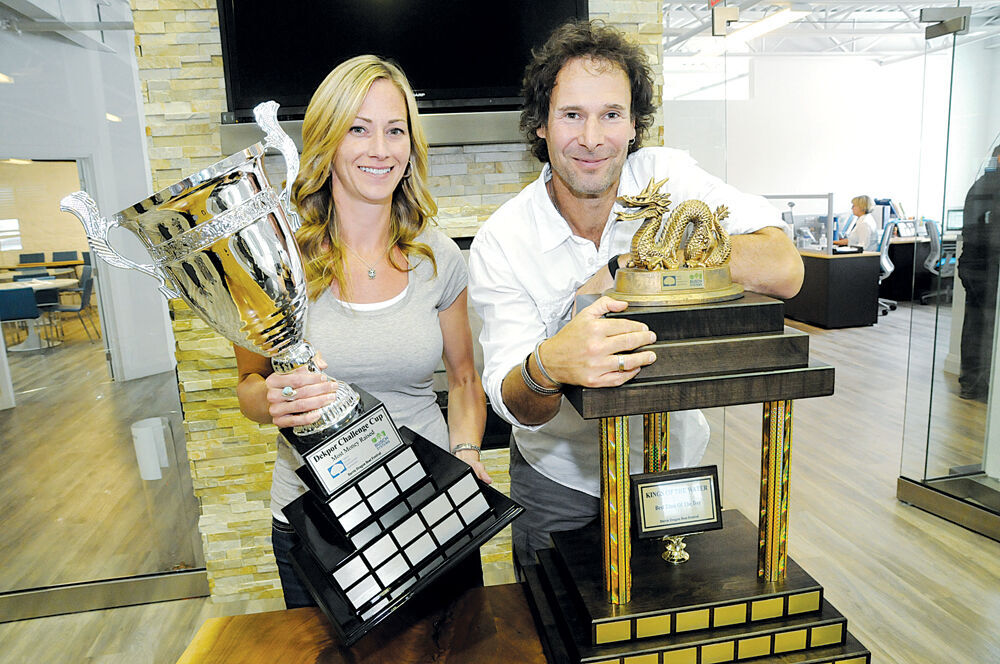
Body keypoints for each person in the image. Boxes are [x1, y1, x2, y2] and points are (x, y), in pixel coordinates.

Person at [467, 20, 803, 568]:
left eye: (611, 115)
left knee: (669, 633)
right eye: (572, 114)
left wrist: (630, 267)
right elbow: (516, 405)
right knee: (558, 632)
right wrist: (550, 364)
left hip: (672, 471)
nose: (593, 138)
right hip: (561, 482)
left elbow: (783, 267)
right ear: (540, 127)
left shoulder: (668, 179)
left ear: (633, 125)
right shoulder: (502, 241)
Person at [234, 55, 490, 608]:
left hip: (431, 506)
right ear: (326, 140)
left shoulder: (438, 256)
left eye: (395, 130)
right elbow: (249, 387)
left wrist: (466, 451)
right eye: (359, 128)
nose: (380, 149)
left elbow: (465, 379)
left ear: (411, 146)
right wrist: (273, 398)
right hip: (320, 525)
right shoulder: (274, 259)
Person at [958, 145, 1000, 400]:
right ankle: (977, 384)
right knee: (984, 327)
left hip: (977, 266)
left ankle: (973, 384)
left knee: (977, 325)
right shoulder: (991, 187)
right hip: (983, 268)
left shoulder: (983, 184)